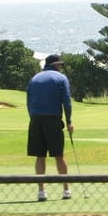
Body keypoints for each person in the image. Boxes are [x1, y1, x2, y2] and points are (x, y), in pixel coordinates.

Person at [27, 54, 74, 201]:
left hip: (35, 119)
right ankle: (66, 190)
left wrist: (32, 117)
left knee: (40, 156)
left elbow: (29, 101)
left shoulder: (34, 78)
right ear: (55, 65)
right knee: (59, 155)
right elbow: (66, 101)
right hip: (53, 119)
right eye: (60, 64)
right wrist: (69, 121)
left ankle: (41, 192)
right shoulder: (61, 78)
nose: (61, 67)